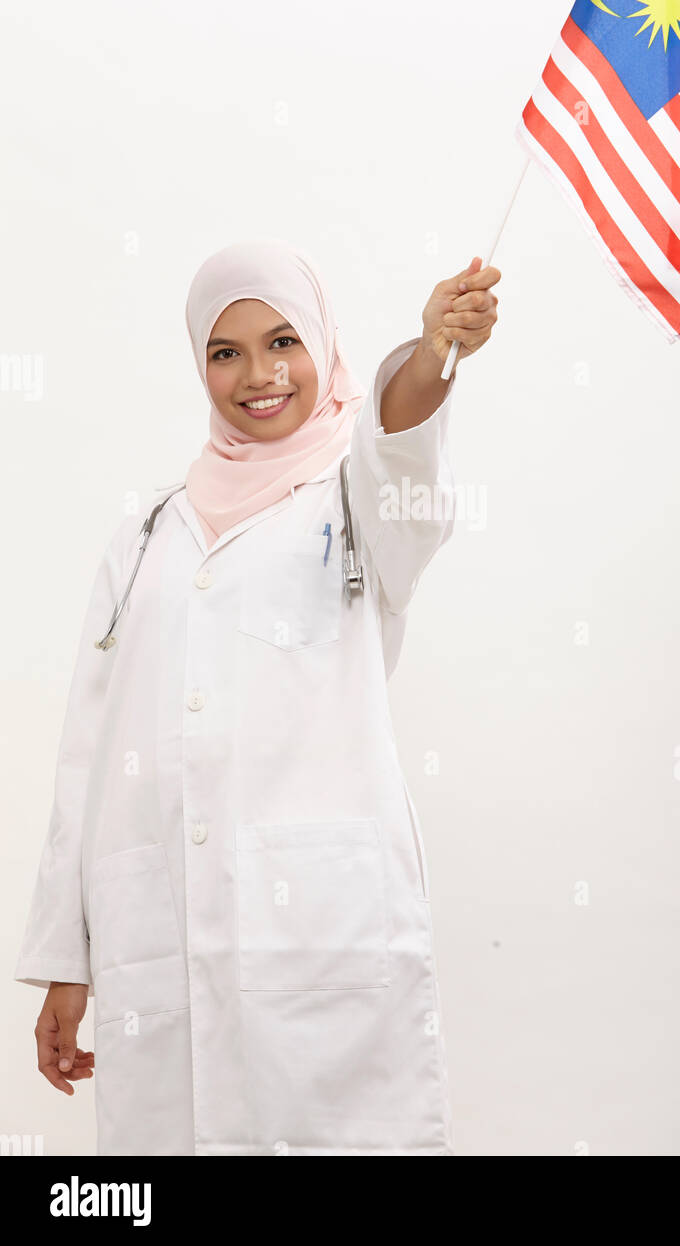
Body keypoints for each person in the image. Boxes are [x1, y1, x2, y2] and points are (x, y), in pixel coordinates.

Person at [14, 238, 500, 1156]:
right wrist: (63, 960)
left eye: (284, 342)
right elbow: (87, 753)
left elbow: (398, 450)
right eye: (225, 352)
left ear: (322, 346)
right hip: (154, 934)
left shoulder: (353, 500)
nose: (259, 375)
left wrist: (433, 355)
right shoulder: (148, 533)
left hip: (319, 933)